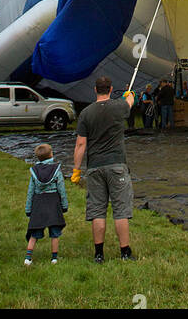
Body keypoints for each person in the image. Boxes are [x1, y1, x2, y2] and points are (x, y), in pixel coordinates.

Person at [72, 76, 135, 263]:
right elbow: (130, 102)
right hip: (117, 165)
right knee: (120, 210)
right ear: (110, 89)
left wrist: (76, 170)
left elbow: (80, 144)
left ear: (95, 90)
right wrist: (129, 94)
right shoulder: (118, 107)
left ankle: (99, 254)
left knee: (97, 211)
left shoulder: (86, 113)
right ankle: (125, 252)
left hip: (94, 167)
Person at [24, 143, 68, 266]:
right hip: (53, 204)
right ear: (51, 154)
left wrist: (28, 209)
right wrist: (64, 205)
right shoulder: (56, 170)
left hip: (38, 204)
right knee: (55, 233)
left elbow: (30, 192)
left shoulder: (34, 172)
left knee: (34, 233)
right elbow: (61, 190)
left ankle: (28, 258)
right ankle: (54, 258)